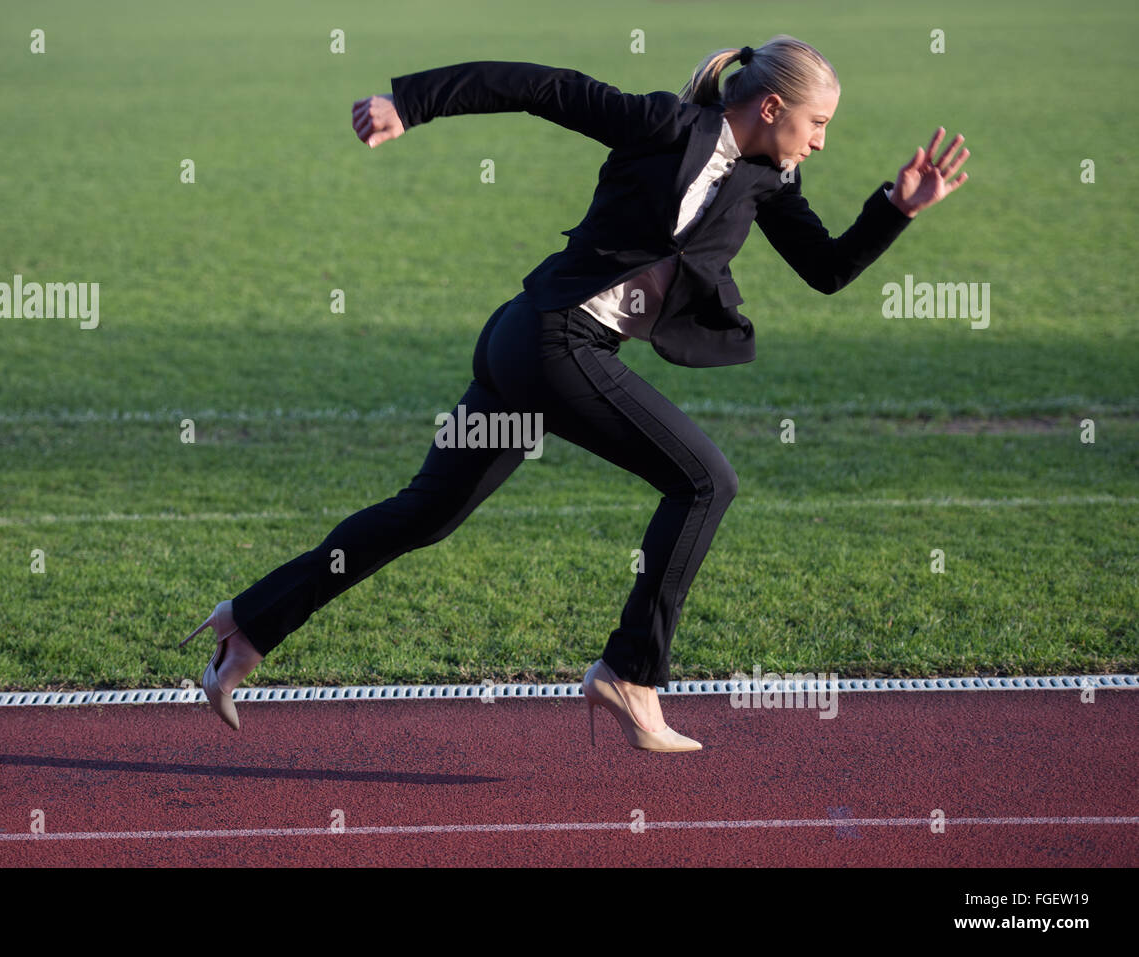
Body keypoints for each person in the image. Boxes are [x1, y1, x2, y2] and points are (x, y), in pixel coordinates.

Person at [181, 35, 968, 750]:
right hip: (547, 339)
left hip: (532, 349)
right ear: (771, 107)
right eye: (817, 122)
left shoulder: (766, 182)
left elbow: (826, 269)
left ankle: (250, 622)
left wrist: (896, 208)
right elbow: (540, 86)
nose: (822, 141)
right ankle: (630, 672)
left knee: (424, 513)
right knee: (704, 480)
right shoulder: (664, 125)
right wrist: (409, 105)